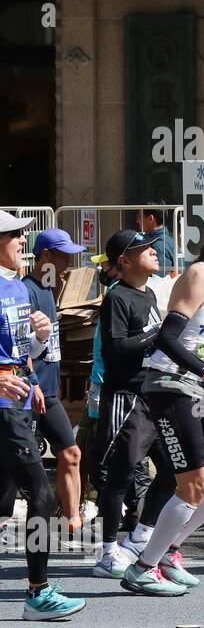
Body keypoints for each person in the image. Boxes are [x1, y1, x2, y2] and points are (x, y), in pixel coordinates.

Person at [119, 212, 204, 596]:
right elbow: (167, 338)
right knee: (193, 484)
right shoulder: (199, 275)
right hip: (171, 387)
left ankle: (169, 550)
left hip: (201, 388)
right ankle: (143, 567)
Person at [0, 211, 84, 619]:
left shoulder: (17, 289)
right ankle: (38, 591)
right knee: (41, 494)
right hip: (3, 407)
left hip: (17, 400)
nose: (22, 242)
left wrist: (37, 339)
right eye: (15, 235)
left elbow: (23, 355)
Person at [92, 230, 180, 579]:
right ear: (125, 261)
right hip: (125, 397)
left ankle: (141, 536)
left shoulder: (151, 294)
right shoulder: (118, 298)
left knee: (174, 468)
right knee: (120, 474)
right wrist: (155, 335)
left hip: (152, 396)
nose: (154, 252)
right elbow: (115, 350)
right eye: (143, 249)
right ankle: (108, 551)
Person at [25, 229, 85, 538]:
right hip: (28, 393)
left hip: (50, 394)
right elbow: (20, 345)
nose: (68, 261)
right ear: (45, 256)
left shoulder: (49, 289)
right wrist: (32, 380)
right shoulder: (27, 290)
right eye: (63, 255)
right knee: (18, 468)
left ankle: (72, 522)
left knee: (71, 453)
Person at [140, 205, 178, 276]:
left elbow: (160, 278)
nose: (137, 221)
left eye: (140, 217)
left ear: (150, 219)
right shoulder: (168, 240)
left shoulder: (157, 245)